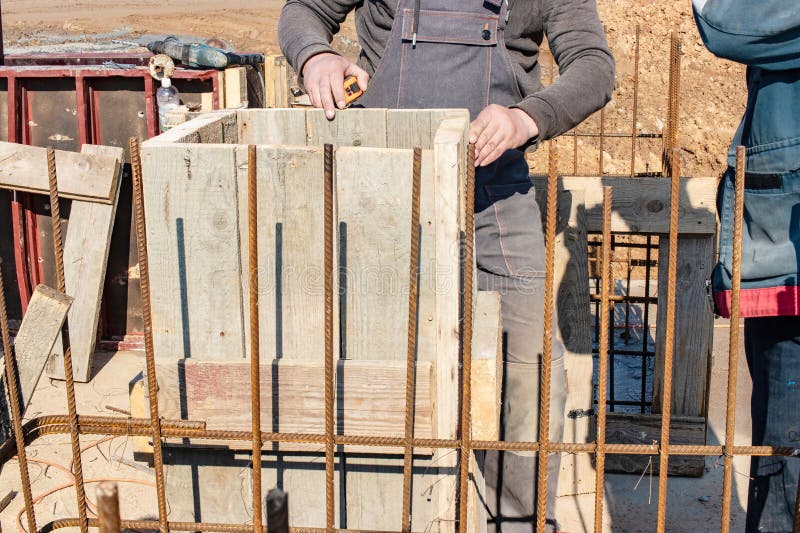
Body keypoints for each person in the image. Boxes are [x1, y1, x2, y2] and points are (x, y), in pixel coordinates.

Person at [280, 2, 614, 530]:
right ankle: (382, 512)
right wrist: (316, 55)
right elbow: (304, 11)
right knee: (375, 362)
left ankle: (517, 521)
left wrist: (526, 117)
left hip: (495, 196)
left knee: (522, 372)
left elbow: (593, 66)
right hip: (383, 188)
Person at [693, 1, 800, 530]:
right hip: (786, 252)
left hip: (788, 255)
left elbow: (723, 22)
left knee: (784, 456)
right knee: (782, 455)